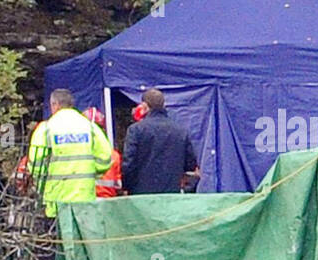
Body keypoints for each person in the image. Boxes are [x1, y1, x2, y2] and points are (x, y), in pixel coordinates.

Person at [27, 89, 113, 217]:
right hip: (84, 197)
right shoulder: (89, 126)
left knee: (58, 235)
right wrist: (92, 172)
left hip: (56, 198)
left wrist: (43, 182)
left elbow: (35, 163)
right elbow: (105, 157)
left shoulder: (45, 129)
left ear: (55, 105)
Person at [121, 88, 199, 196]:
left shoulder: (136, 130)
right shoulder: (180, 131)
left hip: (141, 196)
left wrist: (126, 187)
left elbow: (128, 164)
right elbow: (191, 165)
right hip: (171, 194)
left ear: (144, 106)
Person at [83, 107, 122, 197]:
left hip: (86, 202)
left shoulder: (78, 154)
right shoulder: (114, 155)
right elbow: (118, 186)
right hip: (108, 202)